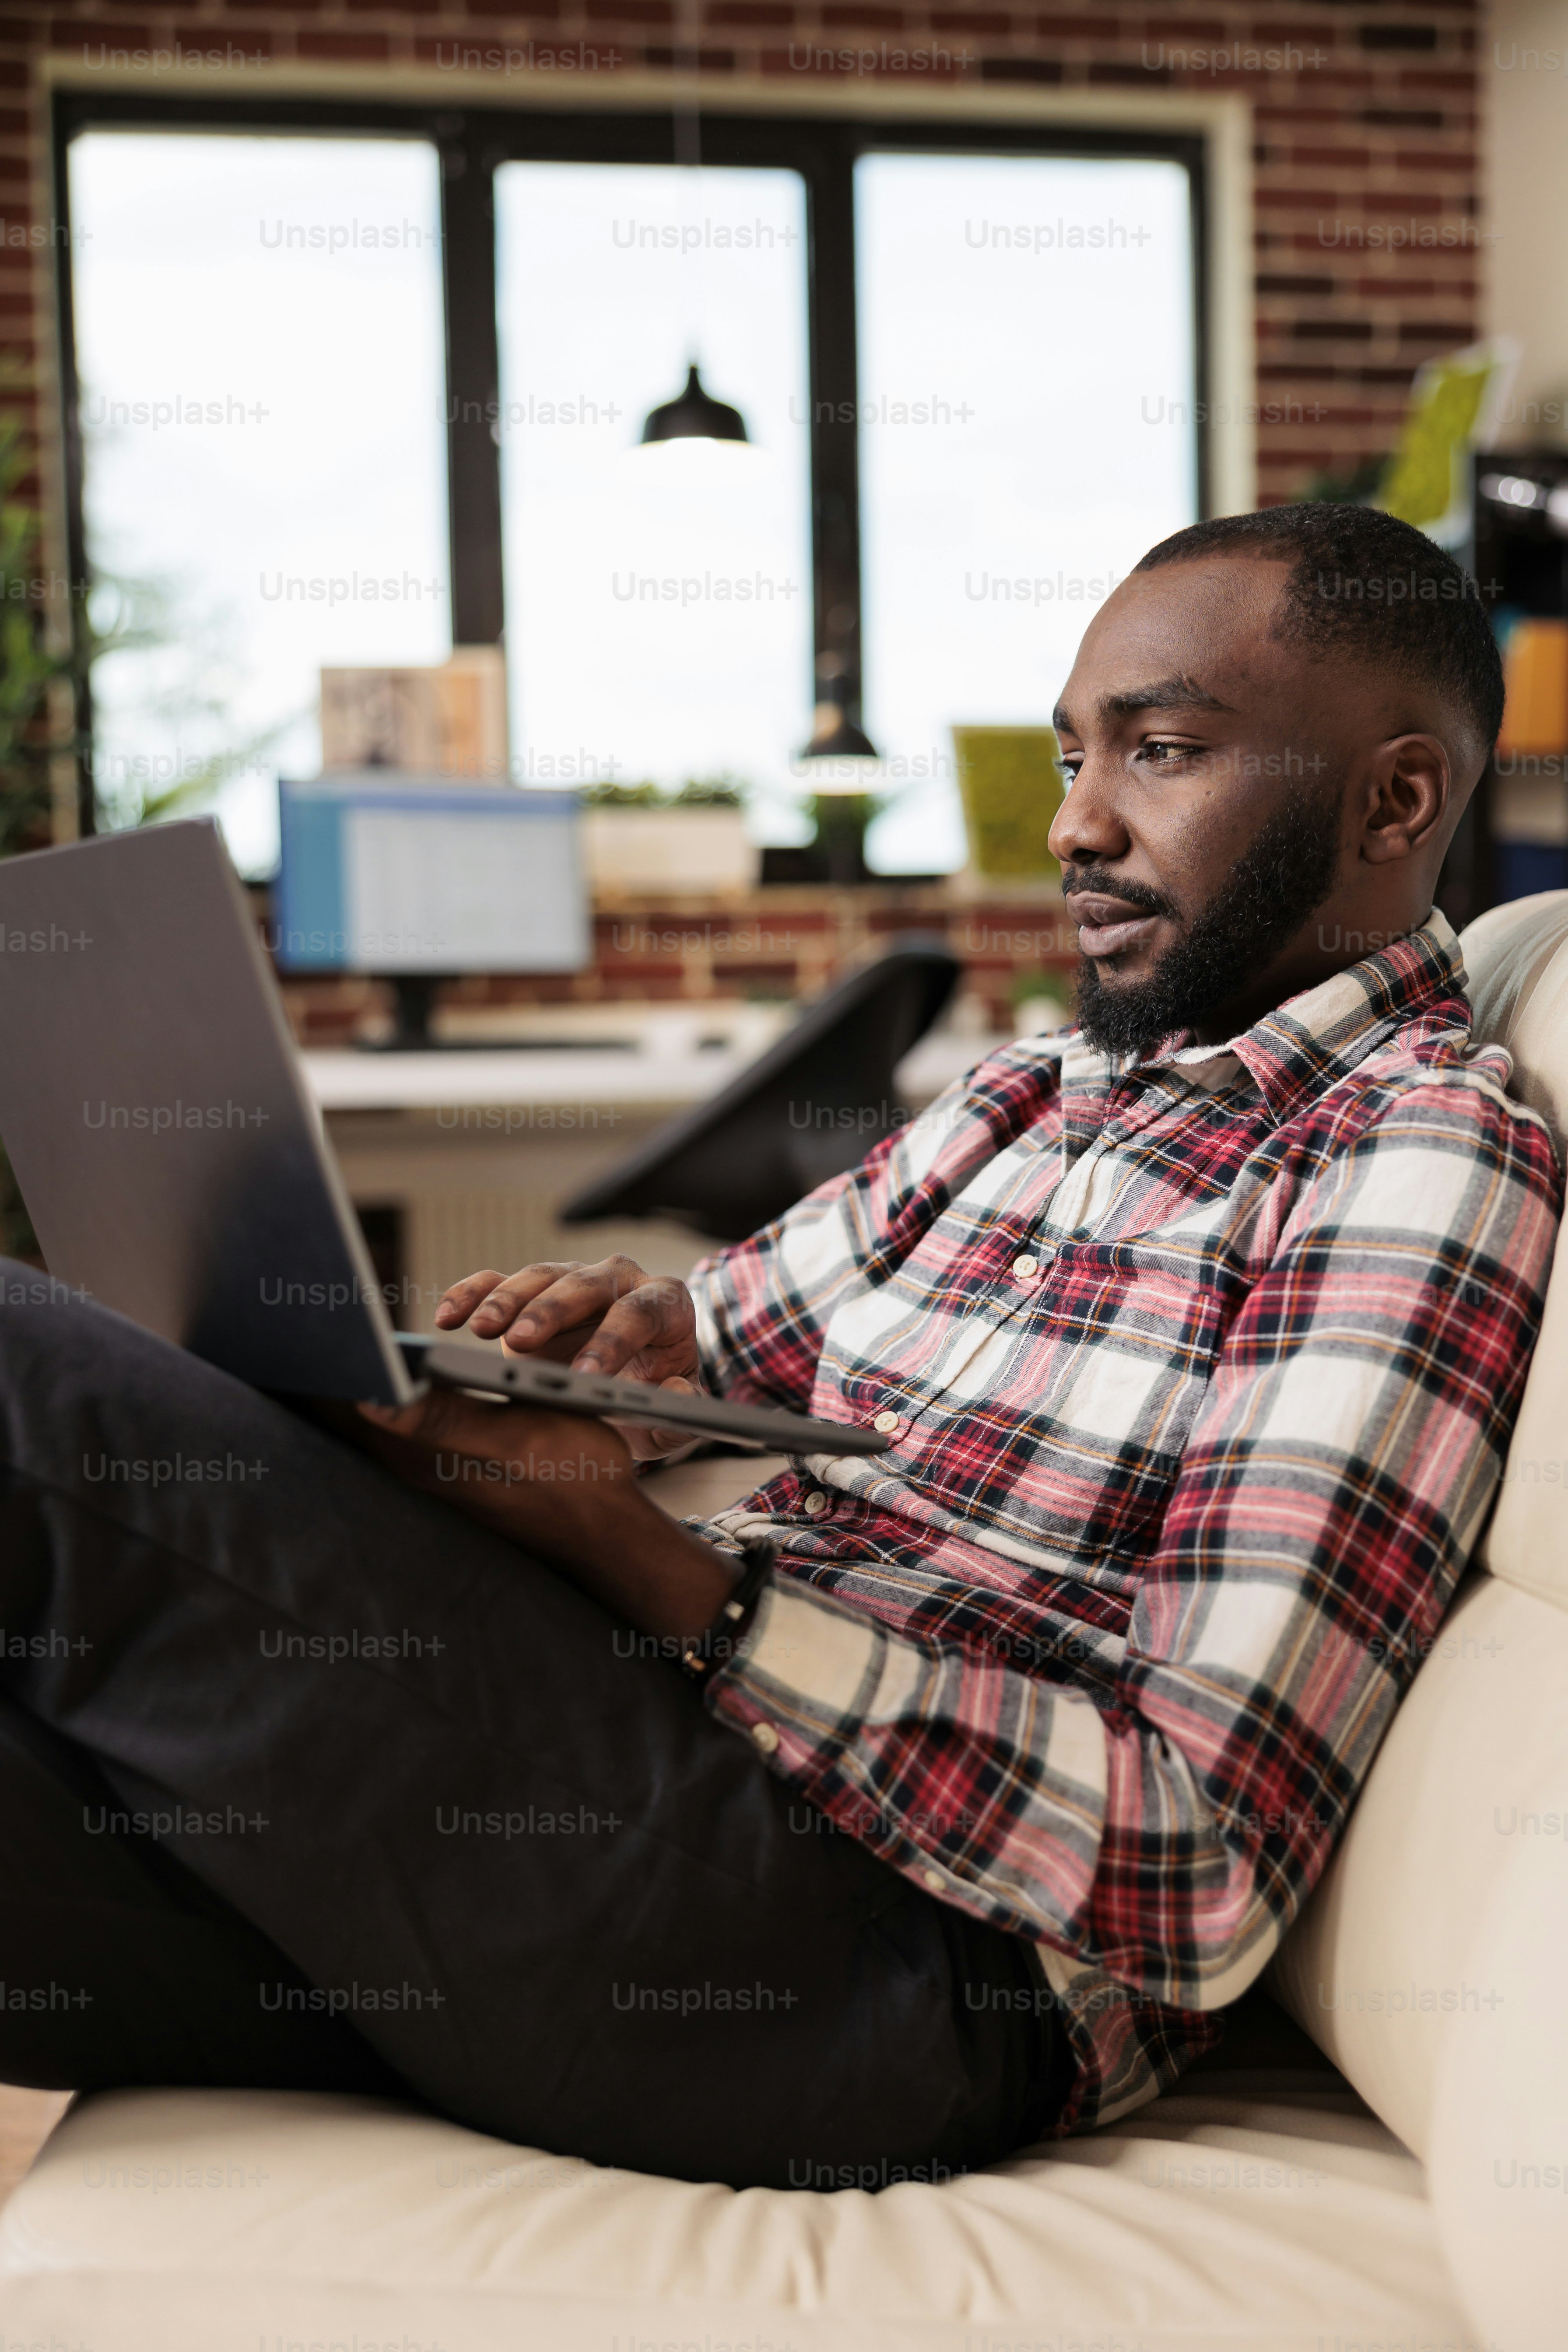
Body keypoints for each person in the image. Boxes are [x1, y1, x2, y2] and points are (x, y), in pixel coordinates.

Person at [0, 504, 1557, 2192]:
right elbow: (713, 1342)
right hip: (662, 1761)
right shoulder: (1033, 1100)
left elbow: (1195, 1859)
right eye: (1071, 757)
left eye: (1161, 752)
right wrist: (604, 1348)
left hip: (896, 1956)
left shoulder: (1411, 1155)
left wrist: (638, 1558)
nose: (1075, 823)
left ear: (1393, 800)